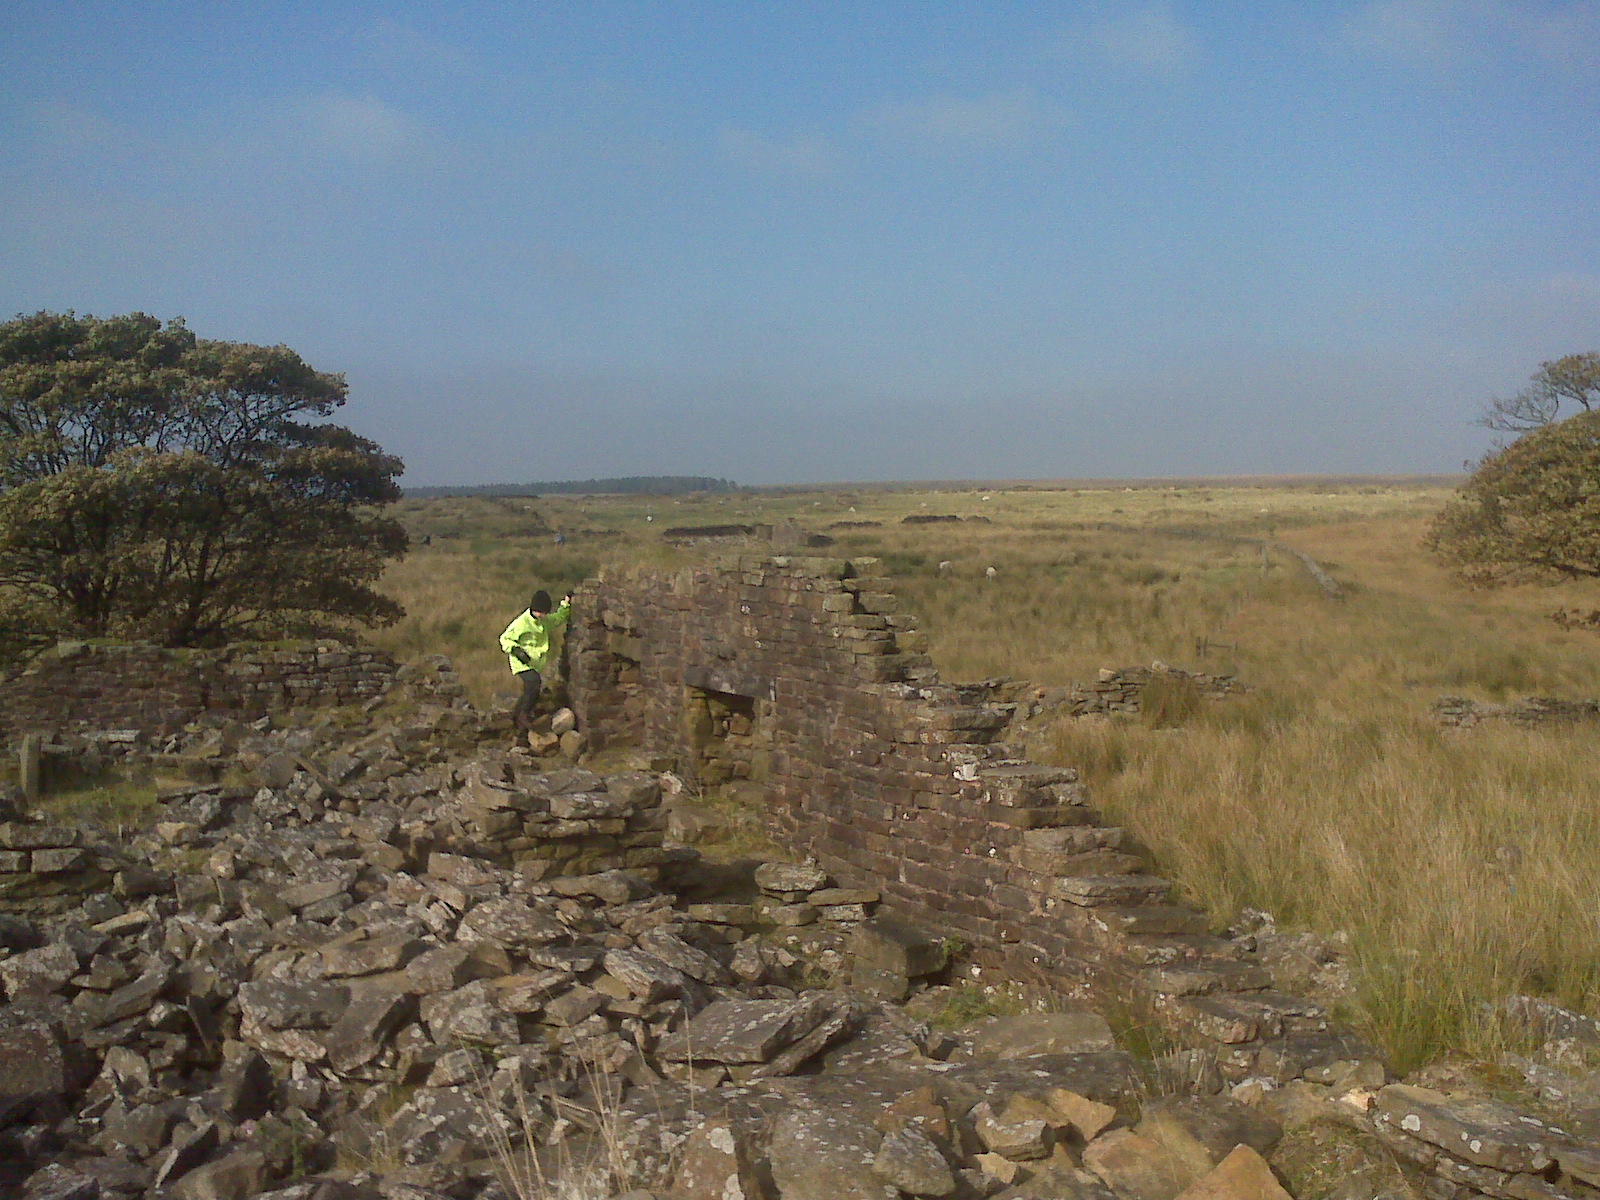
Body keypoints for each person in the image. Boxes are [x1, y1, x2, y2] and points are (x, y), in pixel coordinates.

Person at [500, 589, 571, 730]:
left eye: (545, 613)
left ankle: (516, 718)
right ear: (534, 609)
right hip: (521, 662)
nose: (543, 616)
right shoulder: (522, 623)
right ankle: (524, 715)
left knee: (530, 690)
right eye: (541, 612)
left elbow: (558, 618)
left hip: (535, 663)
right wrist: (516, 650)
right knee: (534, 683)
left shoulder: (544, 621)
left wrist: (566, 603)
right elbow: (505, 638)